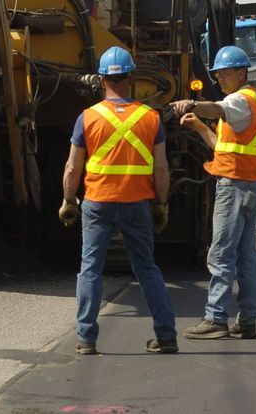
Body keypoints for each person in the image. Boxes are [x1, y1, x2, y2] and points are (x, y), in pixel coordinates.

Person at [59, 46, 178, 356]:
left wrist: (68, 201)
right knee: (147, 269)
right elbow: (161, 168)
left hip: (97, 203)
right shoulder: (151, 118)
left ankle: (86, 339)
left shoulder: (87, 118)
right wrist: (161, 204)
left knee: (90, 270)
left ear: (101, 80)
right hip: (137, 204)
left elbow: (73, 167)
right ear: (132, 78)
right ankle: (166, 336)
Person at [170, 45, 256, 341]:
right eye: (217, 74)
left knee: (221, 254)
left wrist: (191, 104)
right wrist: (201, 128)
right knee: (245, 257)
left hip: (234, 187)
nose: (220, 79)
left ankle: (215, 318)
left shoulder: (239, 100)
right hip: (249, 187)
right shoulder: (249, 103)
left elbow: (217, 108)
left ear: (242, 73)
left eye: (225, 73)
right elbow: (223, 147)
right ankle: (247, 319)